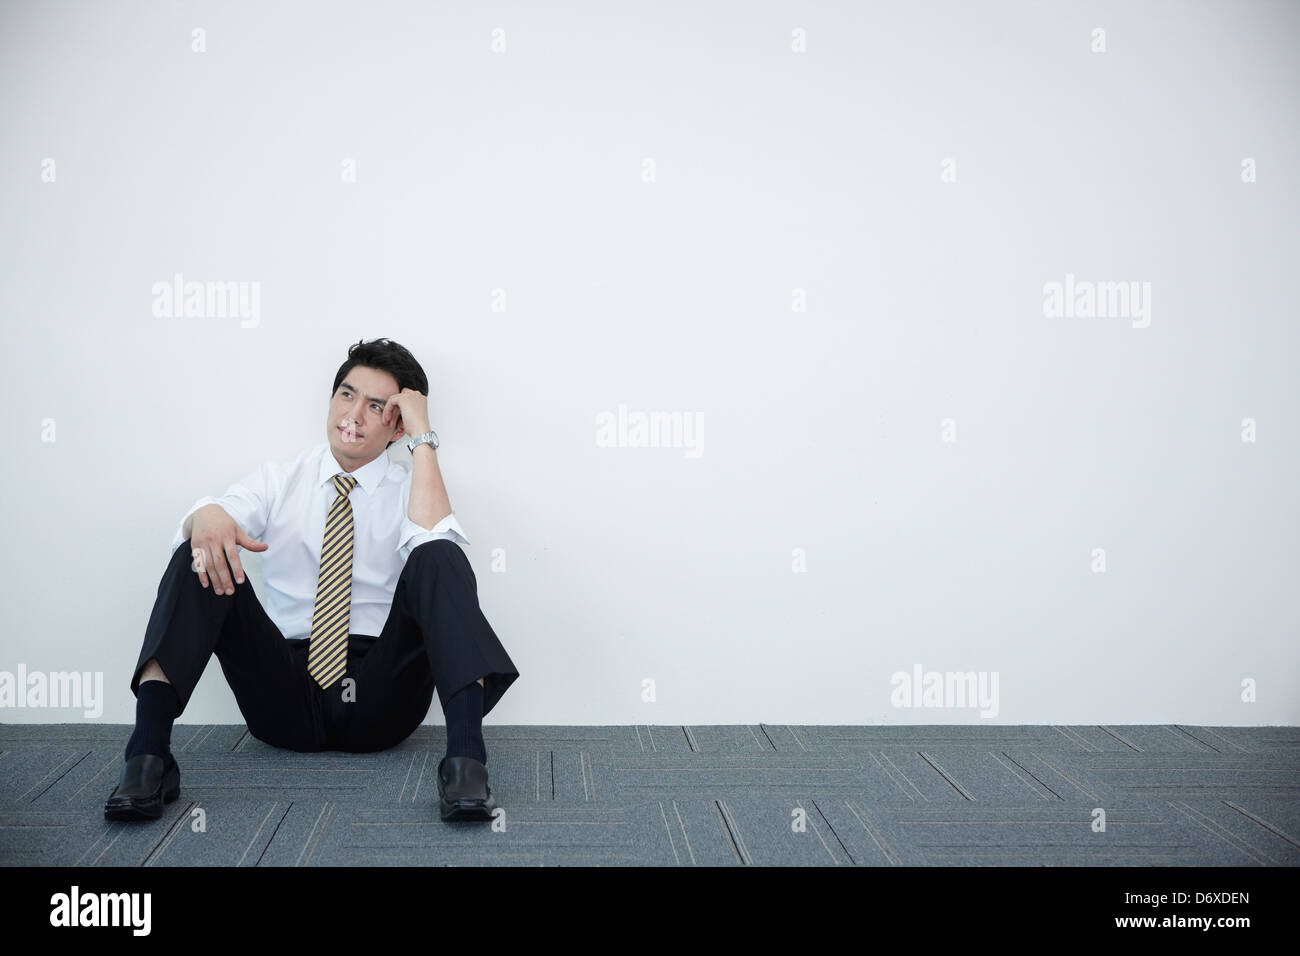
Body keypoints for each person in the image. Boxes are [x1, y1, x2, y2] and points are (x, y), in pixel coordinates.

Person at [104, 338, 519, 823]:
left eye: (376, 406)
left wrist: (422, 437)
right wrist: (208, 515)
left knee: (439, 553)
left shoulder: (413, 486)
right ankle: (146, 760)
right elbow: (220, 517)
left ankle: (466, 765)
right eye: (347, 395)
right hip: (284, 691)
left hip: (379, 693)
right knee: (200, 549)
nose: (355, 414)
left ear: (398, 423)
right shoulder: (281, 479)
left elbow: (433, 537)